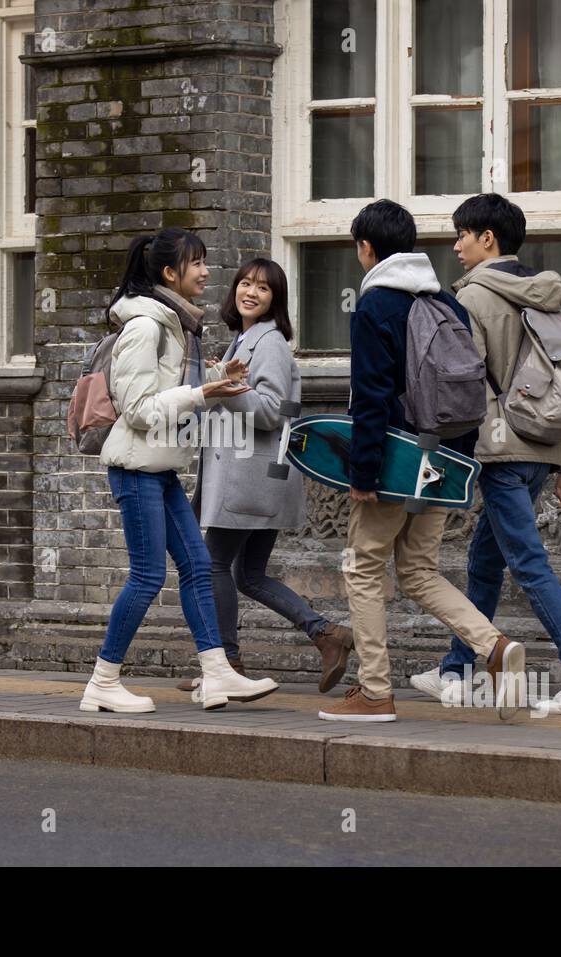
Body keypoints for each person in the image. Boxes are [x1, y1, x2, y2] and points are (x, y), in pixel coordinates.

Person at [408, 193, 561, 716]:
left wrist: (436, 450)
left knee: (528, 563)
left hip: (499, 454)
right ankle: (456, 671)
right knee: (484, 561)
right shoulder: (548, 299)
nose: (455, 246)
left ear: (487, 239)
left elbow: (461, 384)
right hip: (540, 451)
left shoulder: (474, 300)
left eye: (461, 235)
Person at [319, 199, 525, 723]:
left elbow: (369, 397)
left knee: (363, 567)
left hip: (394, 460)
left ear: (366, 248)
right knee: (418, 570)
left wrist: (362, 474)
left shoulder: (374, 306)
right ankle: (495, 647)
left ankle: (373, 691)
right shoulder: (446, 303)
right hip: (444, 458)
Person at [81, 228, 281, 714]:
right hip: (135, 469)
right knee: (147, 577)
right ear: (171, 273)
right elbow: (140, 409)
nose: (207, 271)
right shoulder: (146, 326)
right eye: (197, 263)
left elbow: (171, 385)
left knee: (195, 567)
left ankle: (217, 675)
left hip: (161, 468)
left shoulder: (176, 324)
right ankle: (103, 681)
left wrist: (217, 378)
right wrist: (203, 394)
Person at [177, 258, 354, 696]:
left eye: (263, 287)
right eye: (245, 283)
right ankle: (326, 634)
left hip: (249, 477)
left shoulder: (269, 342)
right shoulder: (246, 340)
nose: (250, 292)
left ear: (277, 299)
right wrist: (223, 378)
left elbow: (273, 409)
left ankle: (226, 663)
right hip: (253, 476)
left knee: (212, 564)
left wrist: (225, 388)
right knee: (248, 574)